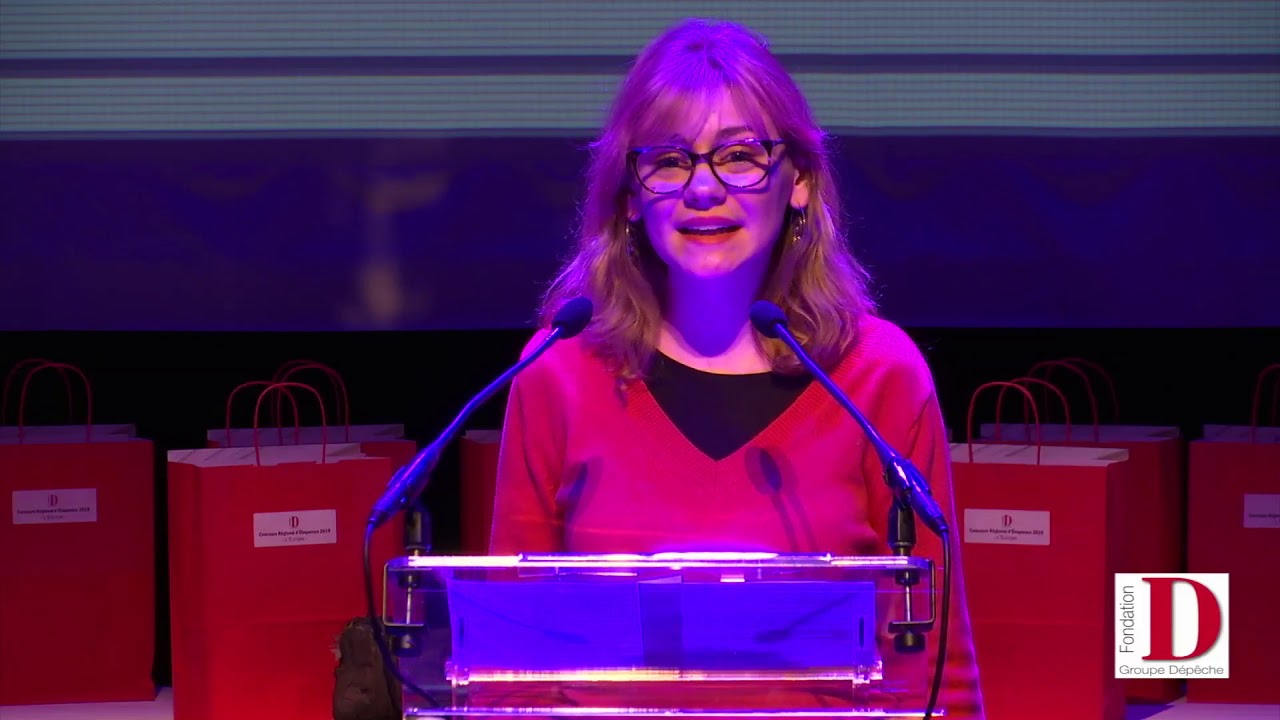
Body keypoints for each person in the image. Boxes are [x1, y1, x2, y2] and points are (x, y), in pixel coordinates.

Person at [488, 17, 984, 719]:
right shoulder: (559, 371)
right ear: (629, 195)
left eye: (740, 155)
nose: (702, 189)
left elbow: (938, 665)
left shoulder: (879, 376)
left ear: (800, 182)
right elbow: (515, 661)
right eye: (668, 159)